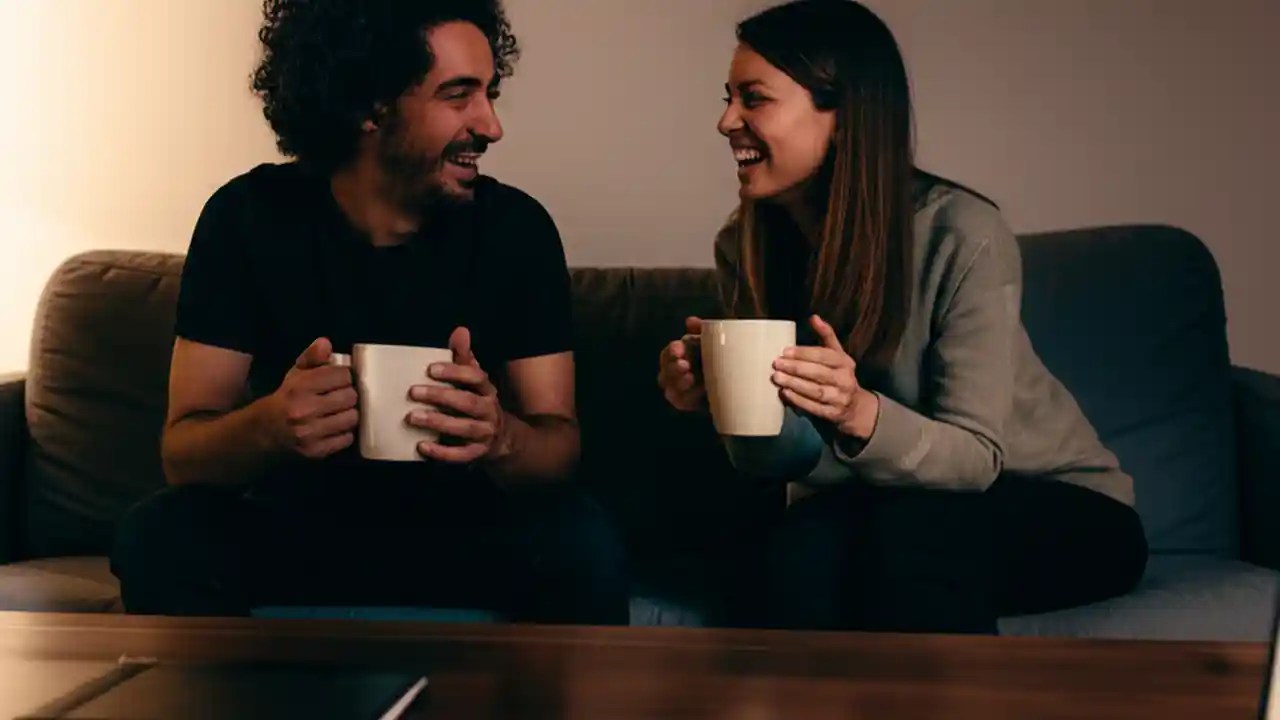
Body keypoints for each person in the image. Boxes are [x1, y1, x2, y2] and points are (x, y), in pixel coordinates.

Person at [110, 0, 629, 625]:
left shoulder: (516, 229)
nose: (491, 126)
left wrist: (500, 435)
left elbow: (559, 444)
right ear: (368, 106)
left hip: (469, 535)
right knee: (160, 534)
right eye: (458, 95)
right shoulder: (247, 217)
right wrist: (269, 426)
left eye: (489, 93)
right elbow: (182, 451)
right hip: (299, 532)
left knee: (581, 538)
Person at [657, 0, 1147, 634]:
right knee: (783, 552)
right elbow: (787, 463)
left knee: (908, 540)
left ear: (844, 114)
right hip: (881, 499)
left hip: (1058, 500)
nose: (727, 121)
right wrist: (717, 400)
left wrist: (857, 412)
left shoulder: (961, 233)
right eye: (728, 98)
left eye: (754, 99)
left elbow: (976, 459)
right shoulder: (744, 243)